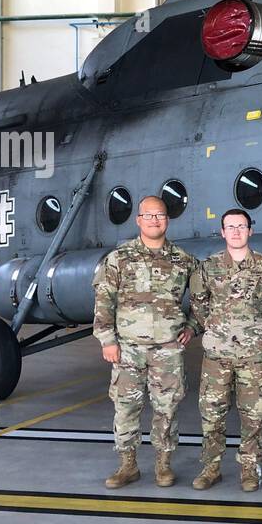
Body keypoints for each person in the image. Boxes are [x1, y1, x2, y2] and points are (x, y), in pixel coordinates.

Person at [92, 195, 195, 489]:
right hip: (128, 349)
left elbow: (203, 298)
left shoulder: (183, 260)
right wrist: (107, 340)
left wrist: (192, 325)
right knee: (125, 406)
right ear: (138, 220)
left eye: (160, 215)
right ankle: (128, 465)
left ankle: (163, 464)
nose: (154, 220)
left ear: (167, 220)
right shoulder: (119, 258)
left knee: (167, 408)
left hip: (167, 349)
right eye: (148, 216)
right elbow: (103, 301)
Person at [187, 209, 262, 492]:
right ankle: (211, 467)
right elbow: (198, 302)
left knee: (254, 413)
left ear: (250, 231)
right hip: (218, 354)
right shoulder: (208, 267)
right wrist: (216, 328)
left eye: (241, 226)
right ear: (222, 232)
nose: (236, 231)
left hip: (253, 354)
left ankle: (249, 468)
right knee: (212, 412)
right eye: (230, 227)